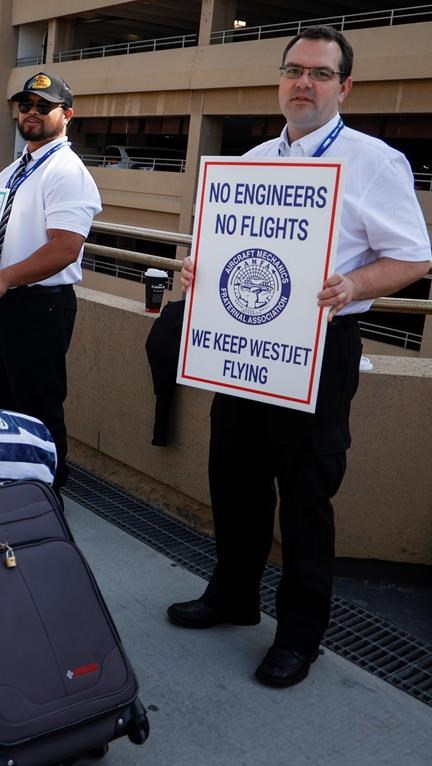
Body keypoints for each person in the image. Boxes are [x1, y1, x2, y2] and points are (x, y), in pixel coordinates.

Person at [167, 26, 432, 688]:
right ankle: (233, 596)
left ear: (344, 86)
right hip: (246, 345)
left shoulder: (375, 161)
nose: (303, 83)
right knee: (234, 478)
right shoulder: (253, 158)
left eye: (318, 73)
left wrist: (354, 285)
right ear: (280, 80)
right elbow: (228, 247)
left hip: (320, 346)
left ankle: (300, 635)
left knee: (307, 495)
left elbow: (414, 256)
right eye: (293, 71)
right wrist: (202, 271)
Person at [0, 72, 99, 496]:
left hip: (41, 306)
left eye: (45, 106)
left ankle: (47, 499)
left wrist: (4, 278)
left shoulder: (66, 172)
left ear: (67, 115)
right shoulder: (11, 173)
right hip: (2, 304)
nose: (33, 113)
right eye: (26, 106)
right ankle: (8, 490)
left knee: (38, 409)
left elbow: (65, 249)